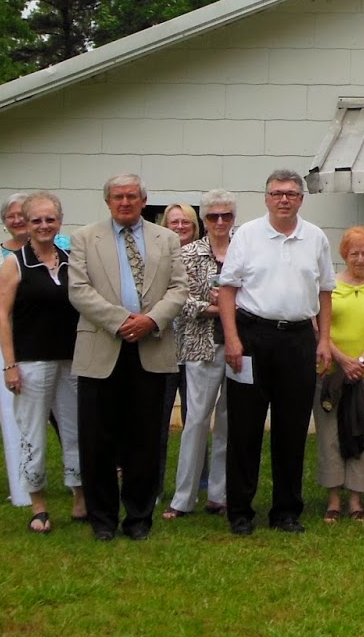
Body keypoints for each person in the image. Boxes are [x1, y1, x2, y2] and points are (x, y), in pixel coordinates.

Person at [67, 174, 189, 541]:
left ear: (143, 200)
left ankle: (139, 518)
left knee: (145, 440)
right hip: (101, 348)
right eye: (118, 197)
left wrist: (150, 320)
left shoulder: (165, 239)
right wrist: (121, 322)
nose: (124, 202)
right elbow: (78, 290)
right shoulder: (85, 238)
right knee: (97, 440)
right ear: (108, 202)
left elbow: (179, 288)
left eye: (131, 196)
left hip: (151, 348)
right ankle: (102, 519)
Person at [216, 169, 334, 537]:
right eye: (277, 193)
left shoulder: (315, 238)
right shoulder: (247, 235)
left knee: (292, 427)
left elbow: (326, 292)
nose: (284, 199)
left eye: (291, 193)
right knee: (244, 426)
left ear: (301, 199)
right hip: (251, 338)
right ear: (266, 198)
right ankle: (239, 511)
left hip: (298, 339)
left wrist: (324, 340)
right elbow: (227, 290)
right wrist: (232, 339)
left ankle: (286, 510)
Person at [0, 192, 84, 533]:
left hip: (71, 359)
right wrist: (9, 364)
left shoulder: (71, 260)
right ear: (25, 224)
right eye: (37, 220)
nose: (44, 226)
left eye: (50, 220)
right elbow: (2, 316)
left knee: (75, 430)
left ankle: (80, 497)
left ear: (59, 221)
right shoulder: (13, 264)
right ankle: (39, 504)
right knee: (32, 432)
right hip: (31, 361)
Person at [165, 189, 237, 520]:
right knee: (195, 421)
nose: (220, 222)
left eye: (226, 216)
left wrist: (226, 304)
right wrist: (216, 307)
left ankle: (220, 495)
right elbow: (180, 298)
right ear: (204, 219)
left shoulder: (246, 249)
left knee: (228, 421)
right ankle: (183, 498)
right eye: (213, 216)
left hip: (239, 345)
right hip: (200, 346)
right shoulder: (188, 253)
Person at [314, 226, 364, 522]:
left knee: (363, 434)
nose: (360, 259)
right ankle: (333, 499)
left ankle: (357, 500)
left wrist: (360, 360)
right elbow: (319, 327)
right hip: (329, 372)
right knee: (330, 434)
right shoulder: (328, 286)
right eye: (354, 253)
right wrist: (343, 360)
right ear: (344, 254)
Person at [0, 193, 36, 508]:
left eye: (22, 214)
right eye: (11, 216)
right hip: (12, 340)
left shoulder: (64, 246)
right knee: (18, 413)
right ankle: (22, 483)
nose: (17, 220)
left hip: (53, 339)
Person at [155, 203, 201, 504]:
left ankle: (200, 482)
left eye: (186, 222)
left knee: (195, 418)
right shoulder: (155, 257)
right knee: (156, 421)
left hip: (196, 349)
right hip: (161, 349)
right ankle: (154, 486)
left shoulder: (203, 256)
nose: (180, 227)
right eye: (174, 222)